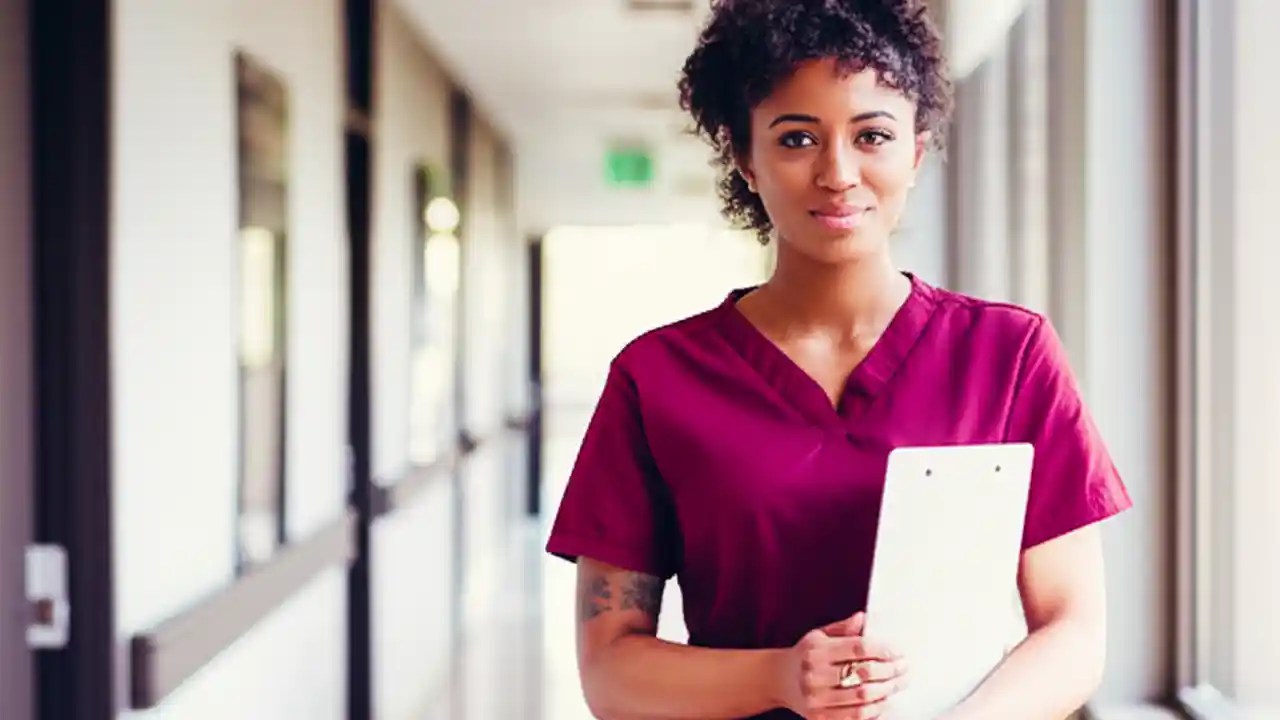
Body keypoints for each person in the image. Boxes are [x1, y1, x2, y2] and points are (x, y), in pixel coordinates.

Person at [545, 1, 1133, 718]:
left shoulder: (1008, 356)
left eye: (872, 135)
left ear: (915, 153)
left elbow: (1074, 629)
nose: (838, 173)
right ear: (744, 157)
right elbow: (609, 668)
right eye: (796, 139)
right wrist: (779, 677)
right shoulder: (658, 378)